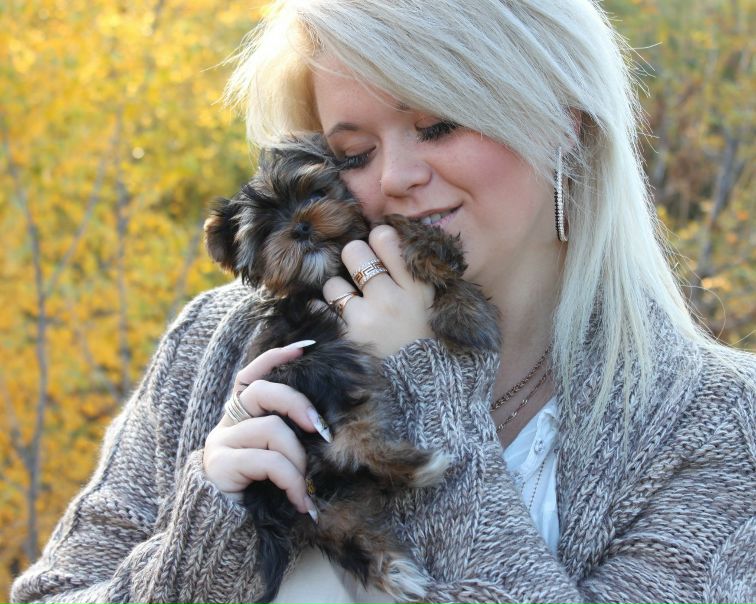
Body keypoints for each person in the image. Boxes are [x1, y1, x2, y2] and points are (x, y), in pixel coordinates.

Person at [11, 0, 755, 603]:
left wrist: (425, 390)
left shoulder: (719, 425)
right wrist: (208, 537)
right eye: (354, 154)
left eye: (438, 125)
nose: (396, 177)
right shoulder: (219, 344)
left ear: (565, 122)